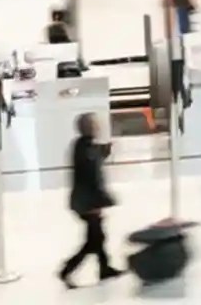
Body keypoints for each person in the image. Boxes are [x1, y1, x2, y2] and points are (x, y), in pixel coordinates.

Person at [59, 113, 122, 289]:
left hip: (84, 201)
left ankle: (105, 268)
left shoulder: (81, 145)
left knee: (98, 237)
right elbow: (91, 177)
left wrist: (105, 150)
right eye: (95, 124)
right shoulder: (86, 150)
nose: (98, 127)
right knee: (92, 241)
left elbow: (95, 155)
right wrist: (96, 204)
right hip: (87, 203)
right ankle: (66, 271)